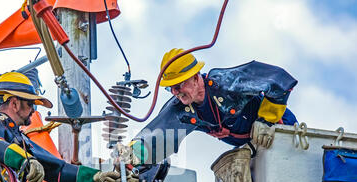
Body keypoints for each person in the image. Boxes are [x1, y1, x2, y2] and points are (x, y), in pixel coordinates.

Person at [115, 48, 299, 165]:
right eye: (170, 88)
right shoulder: (181, 110)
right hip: (253, 149)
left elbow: (279, 80)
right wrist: (128, 157)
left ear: (196, 78)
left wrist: (267, 120)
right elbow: (156, 136)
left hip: (281, 130)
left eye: (179, 86)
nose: (175, 93)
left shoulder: (227, 83)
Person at [0, 71, 120, 182]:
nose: (33, 110)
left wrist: (95, 177)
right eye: (30, 104)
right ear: (14, 103)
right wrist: (25, 161)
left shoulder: (20, 139)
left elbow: (57, 168)